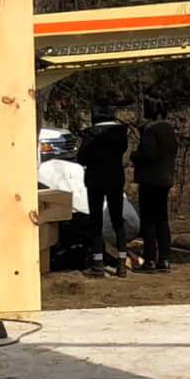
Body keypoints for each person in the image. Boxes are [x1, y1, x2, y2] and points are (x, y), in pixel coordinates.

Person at [76, 103, 132, 275]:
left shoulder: (90, 135)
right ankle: (122, 262)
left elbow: (82, 158)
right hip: (115, 178)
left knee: (96, 221)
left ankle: (98, 262)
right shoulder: (121, 134)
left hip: (95, 180)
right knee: (117, 219)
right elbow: (122, 151)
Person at [133, 97, 179, 273]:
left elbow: (149, 154)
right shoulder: (169, 129)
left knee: (149, 220)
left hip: (150, 179)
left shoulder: (151, 130)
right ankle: (165, 258)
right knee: (162, 218)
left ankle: (150, 258)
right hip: (165, 179)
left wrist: (134, 156)